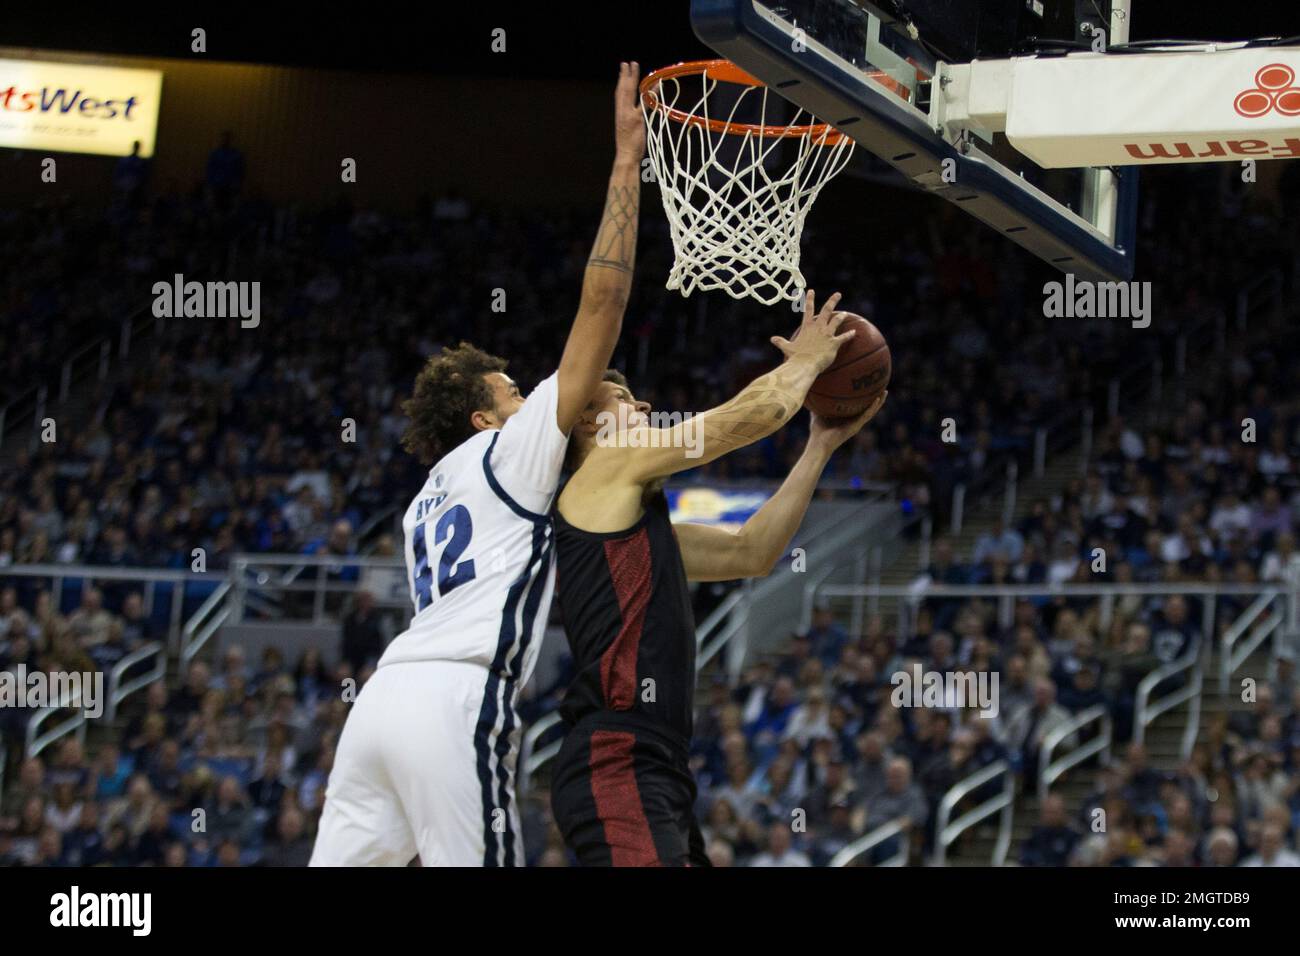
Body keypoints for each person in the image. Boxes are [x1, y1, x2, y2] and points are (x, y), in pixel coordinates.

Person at [310, 62, 646, 867]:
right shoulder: (508, 448)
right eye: (514, 388)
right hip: (456, 698)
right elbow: (601, 306)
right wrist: (626, 164)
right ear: (481, 415)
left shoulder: (424, 498)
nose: (531, 395)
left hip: (381, 705)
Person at [549, 291, 886, 865]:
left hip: (658, 761)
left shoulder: (631, 526)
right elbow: (745, 421)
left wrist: (819, 447)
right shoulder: (599, 471)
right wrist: (806, 362)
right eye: (625, 398)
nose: (646, 404)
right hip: (616, 753)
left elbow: (750, 552)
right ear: (585, 418)